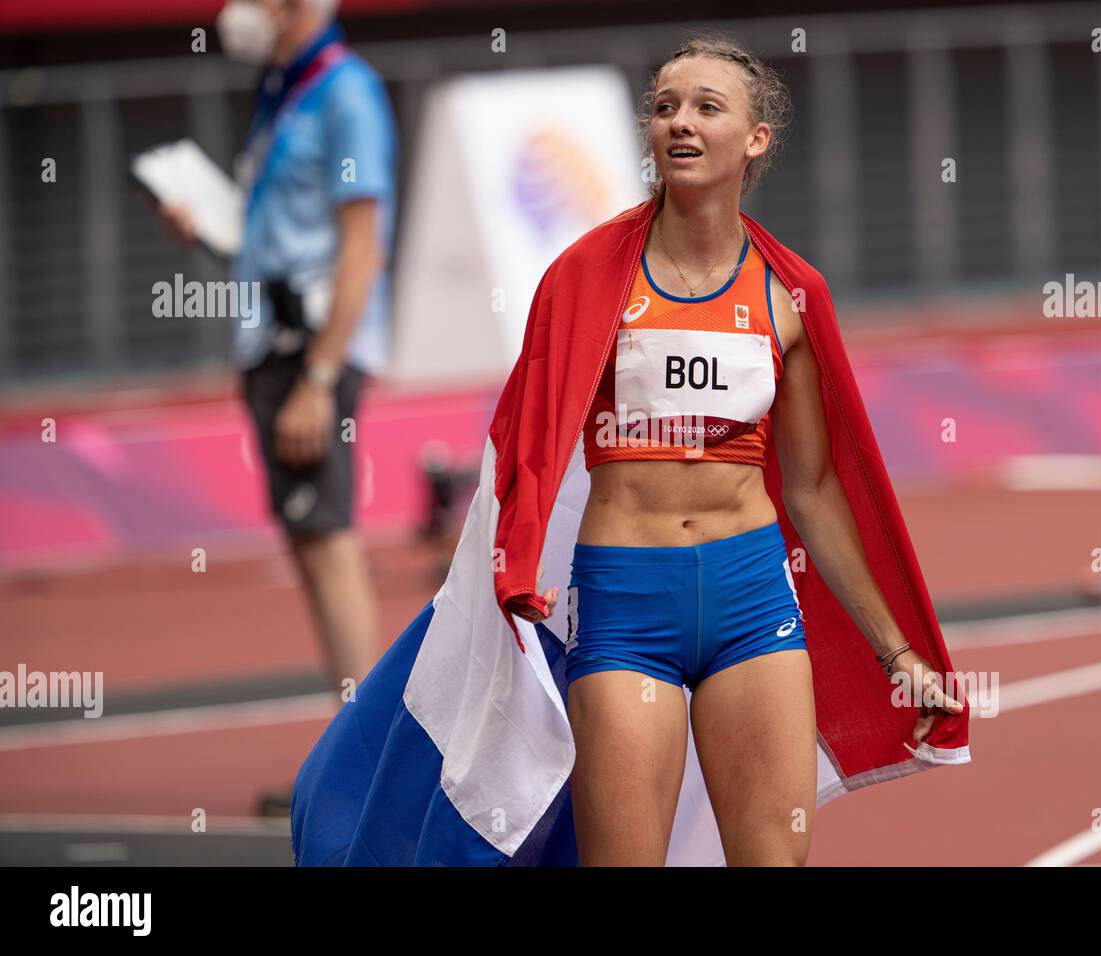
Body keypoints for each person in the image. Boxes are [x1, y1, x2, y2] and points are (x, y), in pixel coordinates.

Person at [290, 33, 969, 868]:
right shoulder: (586, 278)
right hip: (625, 610)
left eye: (706, 108)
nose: (680, 123)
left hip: (752, 603)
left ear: (755, 139)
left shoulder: (788, 294)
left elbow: (818, 490)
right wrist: (515, 568)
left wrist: (898, 653)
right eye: (664, 107)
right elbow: (527, 445)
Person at [157, 0, 396, 811]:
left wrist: (321, 378)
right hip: (274, 346)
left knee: (329, 544)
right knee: (310, 541)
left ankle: (363, 766)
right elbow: (280, 231)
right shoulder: (285, 88)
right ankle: (352, 754)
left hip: (309, 354)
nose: (235, 12)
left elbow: (362, 247)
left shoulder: (345, 92)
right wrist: (212, 231)